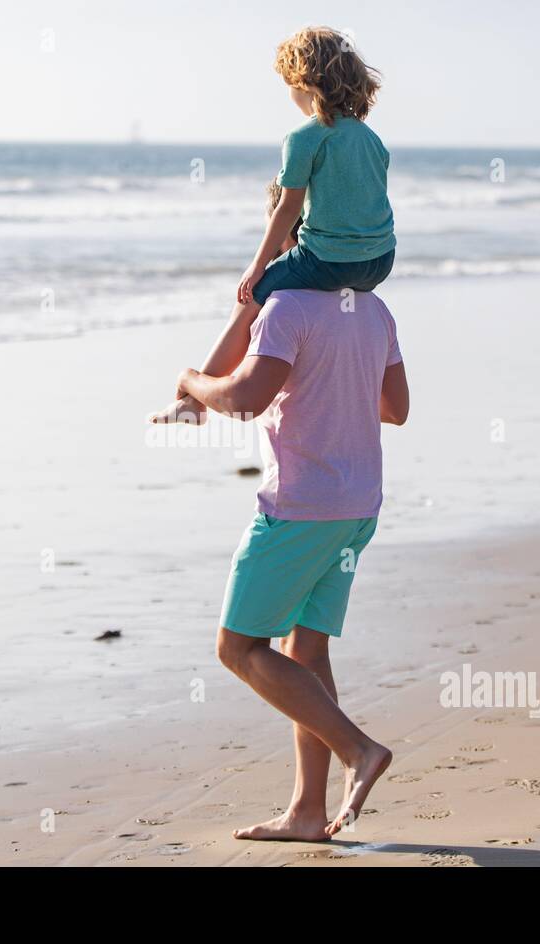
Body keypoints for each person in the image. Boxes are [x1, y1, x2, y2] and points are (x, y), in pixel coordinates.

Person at [173, 278, 409, 840]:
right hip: (358, 506)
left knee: (238, 648)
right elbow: (395, 409)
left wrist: (189, 380)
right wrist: (334, 390)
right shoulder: (373, 309)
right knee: (304, 650)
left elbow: (244, 400)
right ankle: (306, 811)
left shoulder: (286, 307)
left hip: (300, 510)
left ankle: (359, 751)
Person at [150, 26, 396, 426]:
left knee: (250, 298)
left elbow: (287, 208)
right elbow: (368, 203)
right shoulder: (371, 139)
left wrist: (258, 265)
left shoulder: (304, 137)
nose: (289, 94)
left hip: (328, 262)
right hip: (380, 263)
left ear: (305, 82)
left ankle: (190, 401)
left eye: (288, 84)